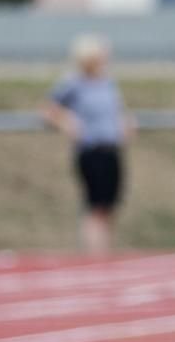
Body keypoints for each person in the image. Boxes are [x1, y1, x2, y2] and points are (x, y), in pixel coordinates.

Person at [42, 36, 132, 255]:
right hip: (91, 150)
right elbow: (49, 109)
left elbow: (115, 111)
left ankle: (106, 251)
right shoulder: (74, 83)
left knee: (110, 206)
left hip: (112, 148)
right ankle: (94, 255)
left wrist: (125, 123)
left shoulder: (108, 83)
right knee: (95, 206)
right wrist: (67, 123)